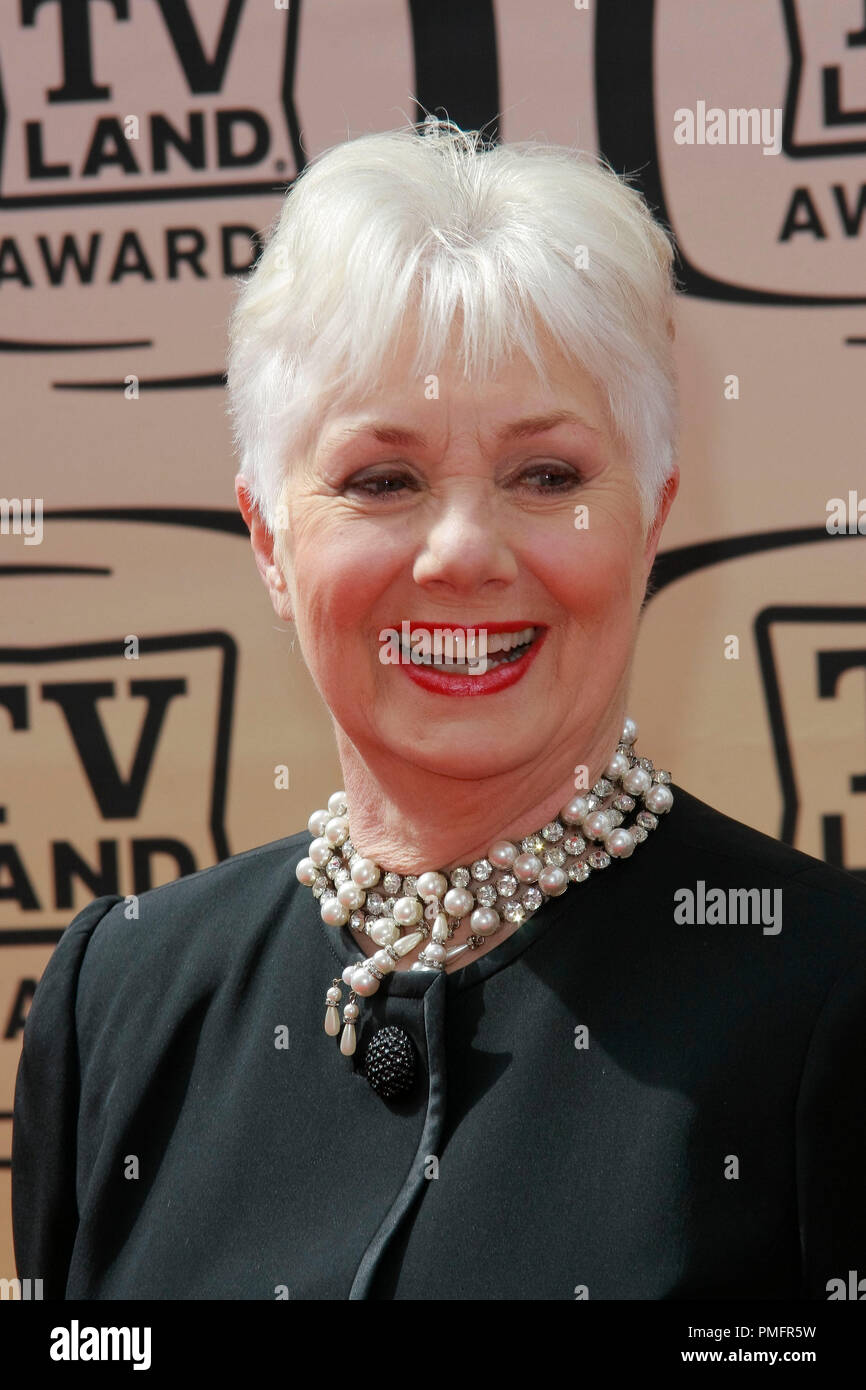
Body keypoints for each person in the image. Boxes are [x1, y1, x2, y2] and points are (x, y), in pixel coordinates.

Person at [13, 120, 866, 1301]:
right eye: (381, 480)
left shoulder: (828, 987)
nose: (461, 551)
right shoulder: (125, 995)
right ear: (268, 540)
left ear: (651, 518)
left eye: (546, 476)